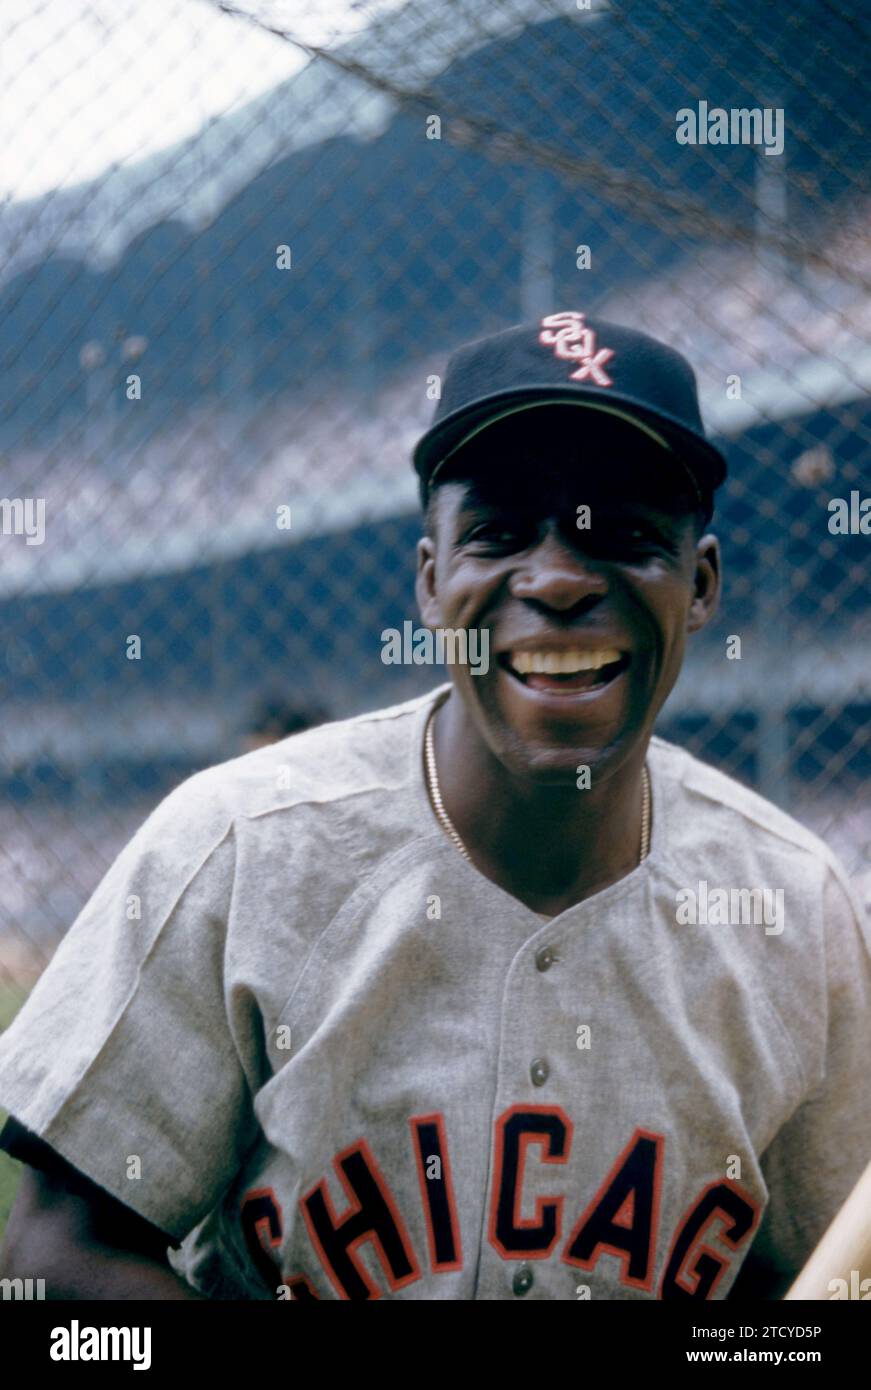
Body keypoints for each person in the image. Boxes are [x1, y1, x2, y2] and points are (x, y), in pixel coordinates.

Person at [1, 310, 869, 1301]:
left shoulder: (792, 909)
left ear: (701, 585)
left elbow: (823, 1285)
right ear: (429, 582)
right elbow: (54, 1264)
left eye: (625, 536)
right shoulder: (241, 845)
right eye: (498, 533)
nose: (555, 578)